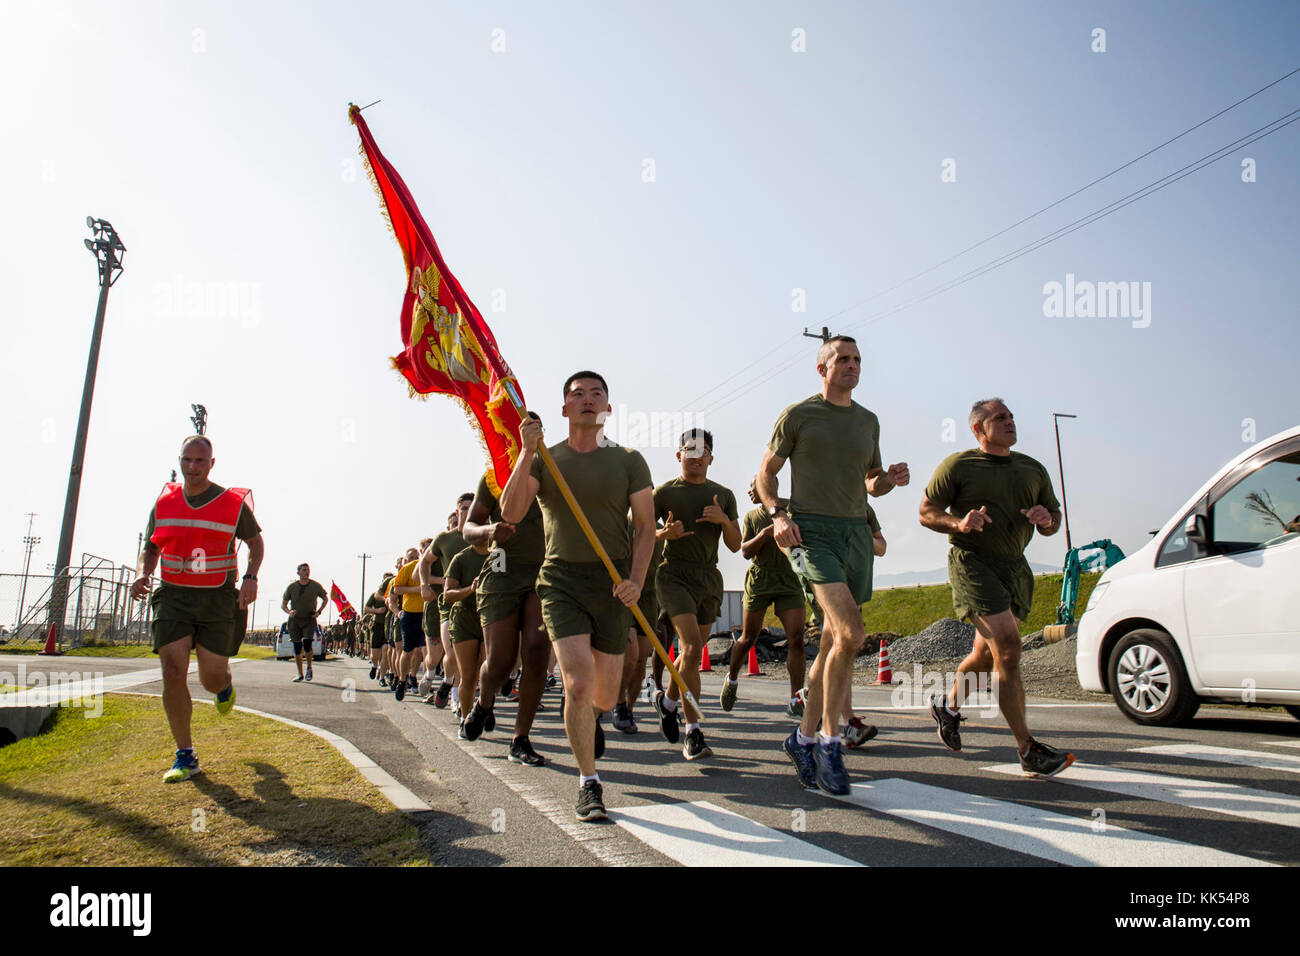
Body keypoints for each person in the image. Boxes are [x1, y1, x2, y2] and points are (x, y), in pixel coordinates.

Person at [757, 335, 909, 795]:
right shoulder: (799, 415)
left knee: (830, 642)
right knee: (852, 633)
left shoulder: (869, 421)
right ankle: (829, 742)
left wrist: (888, 480)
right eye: (842, 359)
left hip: (855, 534)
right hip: (812, 533)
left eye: (857, 360)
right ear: (822, 368)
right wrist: (778, 515)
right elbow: (765, 472)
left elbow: (871, 483)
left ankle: (801, 737)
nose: (852, 366)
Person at [500, 371, 654, 822]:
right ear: (564, 408)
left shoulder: (628, 459)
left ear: (608, 406)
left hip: (613, 584)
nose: (587, 400)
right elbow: (511, 514)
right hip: (561, 580)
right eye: (577, 395)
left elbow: (645, 527)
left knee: (603, 695)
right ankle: (589, 782)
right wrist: (526, 452)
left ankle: (593, 718)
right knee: (578, 682)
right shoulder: (545, 458)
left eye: (596, 394)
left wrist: (637, 582)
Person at [919, 398, 1075, 777]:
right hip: (972, 562)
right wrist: (959, 523)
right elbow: (926, 512)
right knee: (1008, 646)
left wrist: (1046, 519)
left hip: (1014, 567)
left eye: (1011, 417)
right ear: (978, 429)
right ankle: (1027, 748)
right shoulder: (959, 465)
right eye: (999, 417)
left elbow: (1054, 519)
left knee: (986, 656)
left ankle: (948, 708)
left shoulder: (1031, 469)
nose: (1009, 422)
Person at [130, 435, 263, 783]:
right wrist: (144, 573)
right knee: (172, 671)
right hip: (173, 596)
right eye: (187, 460)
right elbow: (151, 546)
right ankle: (185, 755)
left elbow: (255, 543)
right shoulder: (164, 502)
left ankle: (224, 685)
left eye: (200, 461)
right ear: (180, 460)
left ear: (211, 464)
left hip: (218, 599)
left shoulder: (231, 504)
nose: (192, 467)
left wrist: (250, 576)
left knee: (209, 678)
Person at [651, 429, 740, 760]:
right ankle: (695, 733)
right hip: (673, 574)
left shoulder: (723, 496)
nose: (696, 456)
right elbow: (640, 531)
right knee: (689, 647)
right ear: (679, 455)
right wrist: (664, 533)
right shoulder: (664, 493)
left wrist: (723, 521)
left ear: (710, 458)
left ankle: (668, 701)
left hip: (708, 578)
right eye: (689, 450)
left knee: (691, 653)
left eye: (702, 451)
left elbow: (735, 543)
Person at [462, 469, 550, 765]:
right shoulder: (492, 477)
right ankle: (484, 701)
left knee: (537, 650)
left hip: (543, 572)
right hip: (501, 571)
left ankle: (520, 738)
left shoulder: (556, 470)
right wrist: (488, 531)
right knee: (501, 661)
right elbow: (469, 527)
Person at [721, 476, 807, 717]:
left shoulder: (792, 510)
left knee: (797, 638)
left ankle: (796, 698)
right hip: (761, 579)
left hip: (789, 579)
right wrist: (765, 535)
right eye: (749, 487)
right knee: (748, 637)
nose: (750, 491)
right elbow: (745, 551)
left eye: (754, 487)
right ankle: (732, 679)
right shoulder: (751, 517)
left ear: (770, 489)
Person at [420, 495, 475, 709]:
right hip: (448, 603)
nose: (467, 512)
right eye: (463, 508)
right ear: (457, 510)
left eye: (472, 508)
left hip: (475, 604)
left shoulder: (482, 536)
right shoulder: (444, 539)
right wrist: (425, 585)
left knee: (471, 657)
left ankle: (450, 686)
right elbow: (424, 564)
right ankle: (454, 694)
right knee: (451, 652)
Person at [613, 514, 664, 734]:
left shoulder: (662, 528)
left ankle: (628, 709)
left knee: (641, 660)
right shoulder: (619, 523)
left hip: (649, 597)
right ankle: (618, 703)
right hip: (623, 592)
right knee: (630, 654)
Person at [443, 540, 492, 735]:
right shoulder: (461, 558)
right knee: (469, 674)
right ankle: (465, 719)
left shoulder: (498, 555)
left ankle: (485, 708)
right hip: (465, 620)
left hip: (491, 617)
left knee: (488, 670)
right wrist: (470, 589)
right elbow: (448, 594)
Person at [388, 545, 427, 700]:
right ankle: (402, 680)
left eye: (417, 555)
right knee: (408, 651)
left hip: (426, 613)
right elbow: (396, 590)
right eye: (411, 557)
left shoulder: (429, 566)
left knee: (423, 650)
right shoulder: (407, 569)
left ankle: (420, 679)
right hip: (410, 614)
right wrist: (416, 589)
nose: (415, 558)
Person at [282, 563, 327, 682]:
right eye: (304, 570)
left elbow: (325, 598)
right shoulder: (292, 587)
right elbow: (283, 604)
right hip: (295, 620)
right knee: (297, 647)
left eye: (308, 570)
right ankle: (299, 673)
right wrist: (289, 611)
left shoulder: (315, 586)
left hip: (309, 619)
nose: (306, 572)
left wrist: (319, 611)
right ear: (298, 572)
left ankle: (309, 668)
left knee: (307, 644)